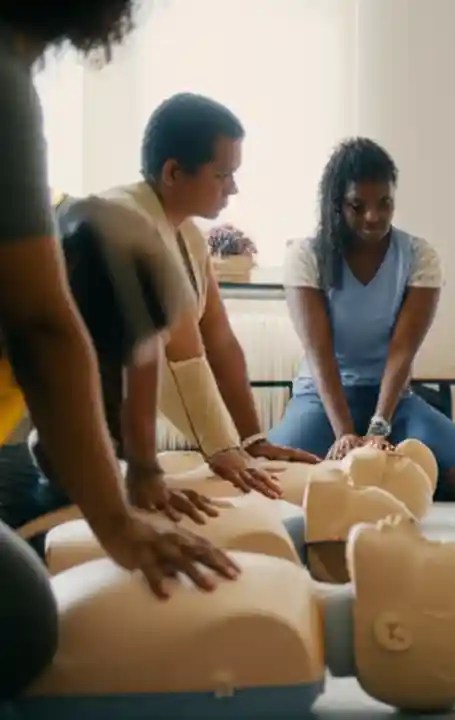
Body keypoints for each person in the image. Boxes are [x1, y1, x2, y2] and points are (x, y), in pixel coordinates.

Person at [0, 0, 237, 701]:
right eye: (221, 174)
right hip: (21, 451)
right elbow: (48, 328)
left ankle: (56, 477)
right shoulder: (101, 224)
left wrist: (145, 468)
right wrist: (115, 523)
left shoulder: (140, 232)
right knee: (19, 620)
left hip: (25, 440)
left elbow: (161, 350)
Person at [99, 92, 319, 502]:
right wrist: (223, 449)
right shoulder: (127, 222)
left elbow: (218, 339)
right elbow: (180, 357)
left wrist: (251, 440)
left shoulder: (189, 237)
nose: (233, 188)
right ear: (173, 172)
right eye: (221, 175)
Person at [268, 137, 455, 502]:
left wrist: (379, 428)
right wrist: (345, 436)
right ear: (337, 205)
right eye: (358, 206)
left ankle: (367, 478)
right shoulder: (306, 255)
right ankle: (365, 474)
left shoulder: (419, 256)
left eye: (384, 204)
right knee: (274, 479)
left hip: (391, 398)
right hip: (322, 398)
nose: (374, 216)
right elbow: (319, 352)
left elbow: (402, 350)